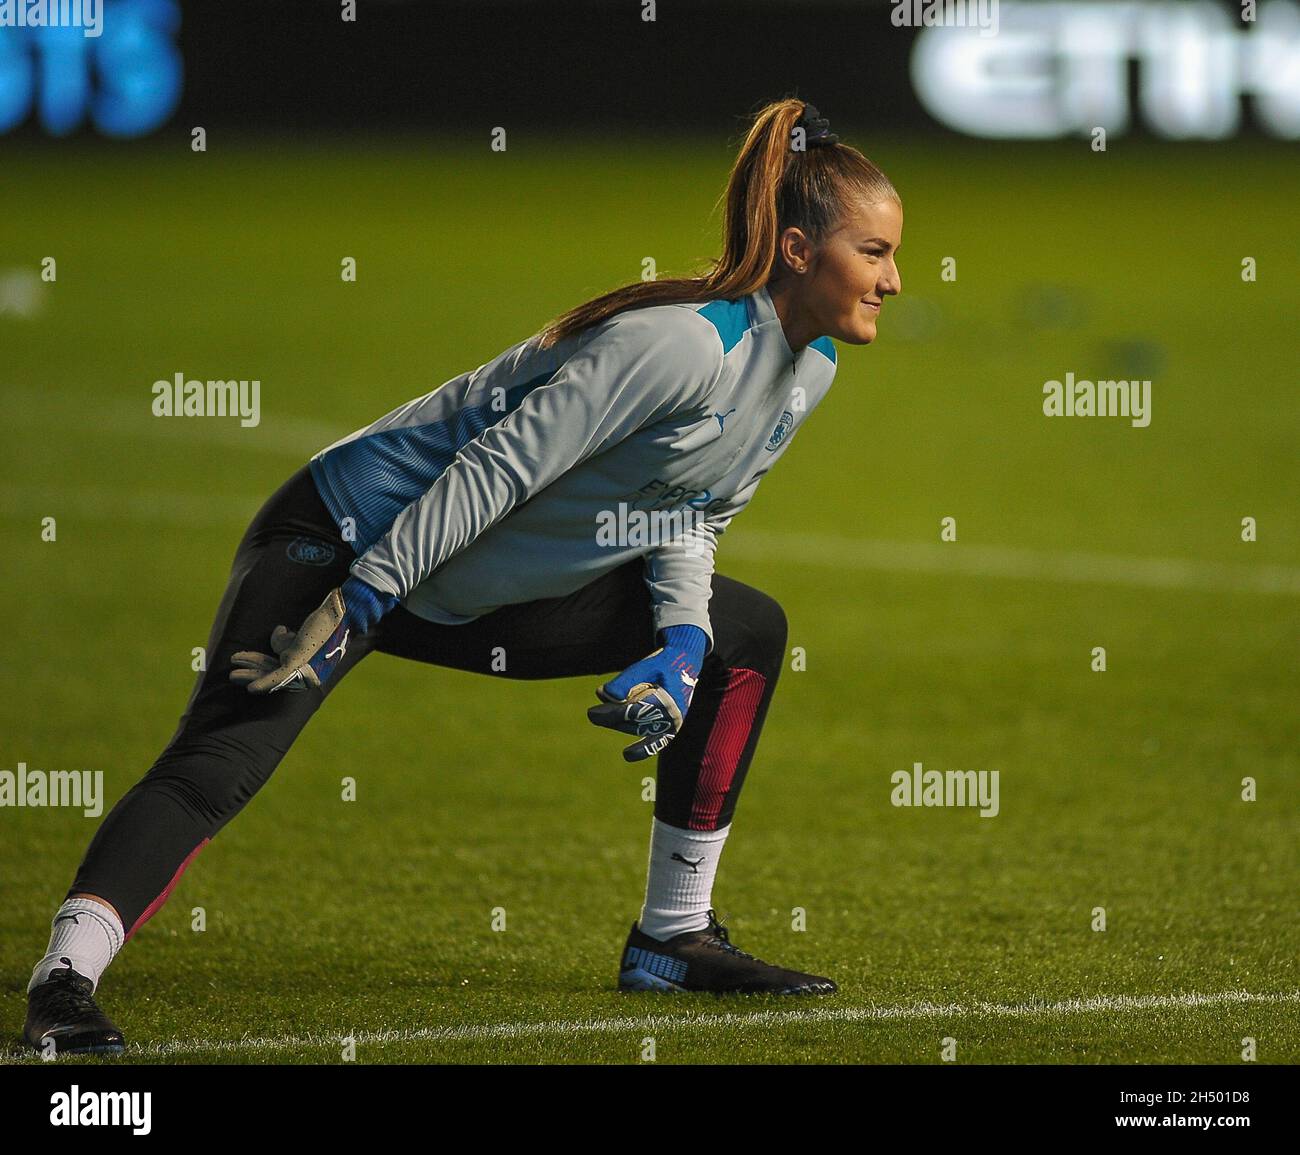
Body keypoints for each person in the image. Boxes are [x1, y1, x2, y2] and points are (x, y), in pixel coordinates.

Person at [23, 97, 902, 1053]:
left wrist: (683, 642)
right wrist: (358, 597)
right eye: (876, 252)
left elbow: (688, 506)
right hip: (351, 540)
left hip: (472, 588)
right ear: (800, 248)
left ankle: (672, 937)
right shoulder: (681, 343)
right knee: (220, 762)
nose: (895, 279)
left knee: (747, 631)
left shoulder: (807, 371)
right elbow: (497, 464)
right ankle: (63, 981)